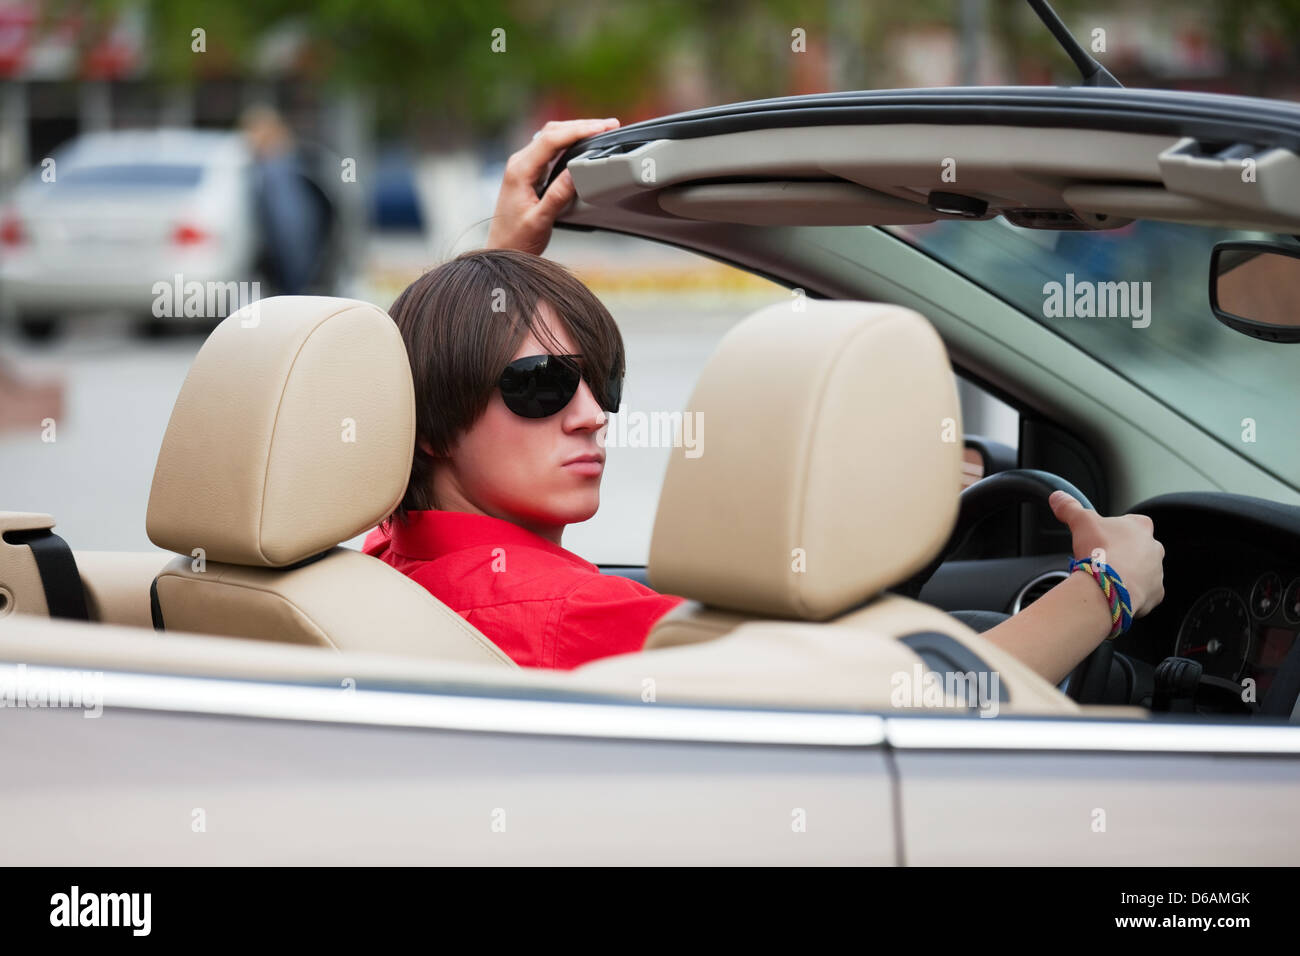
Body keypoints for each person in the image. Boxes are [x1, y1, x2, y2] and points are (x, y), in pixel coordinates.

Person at [365, 119, 1166, 683]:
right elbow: (915, 707)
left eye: (600, 382)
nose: (591, 414)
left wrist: (497, 280)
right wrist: (1107, 589)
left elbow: (427, 391)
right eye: (539, 385)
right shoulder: (571, 614)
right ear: (431, 421)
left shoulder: (379, 564)